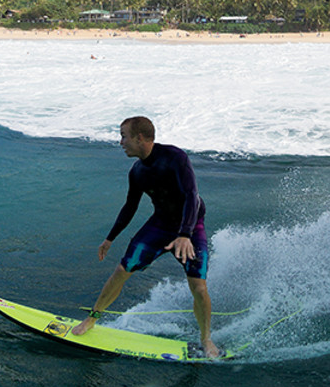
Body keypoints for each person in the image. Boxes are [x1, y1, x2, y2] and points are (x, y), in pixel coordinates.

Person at [71, 116, 220, 358]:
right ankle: (92, 319)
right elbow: (130, 206)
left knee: (198, 286)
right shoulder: (137, 171)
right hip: (160, 225)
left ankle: (206, 339)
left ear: (139, 138)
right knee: (122, 270)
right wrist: (110, 238)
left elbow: (191, 195)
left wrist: (185, 234)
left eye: (124, 136)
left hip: (191, 226)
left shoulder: (175, 157)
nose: (121, 142)